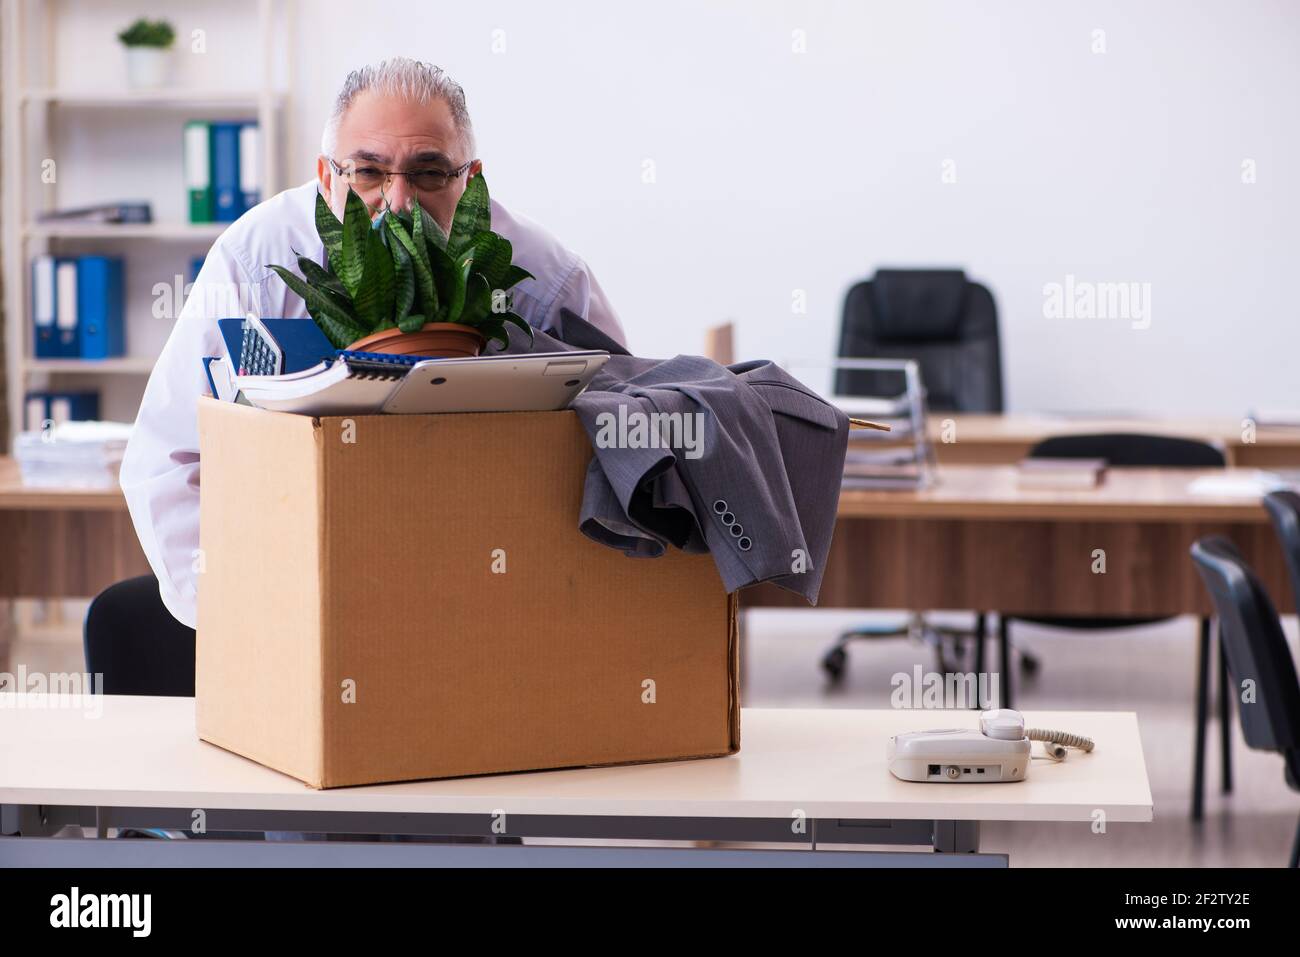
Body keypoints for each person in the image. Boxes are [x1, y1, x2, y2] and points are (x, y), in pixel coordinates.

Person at [120, 57, 627, 630]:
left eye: (430, 172)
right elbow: (166, 459)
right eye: (368, 171)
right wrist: (238, 618)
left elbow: (623, 442)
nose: (399, 201)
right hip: (299, 592)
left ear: (472, 178)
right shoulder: (253, 264)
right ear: (325, 175)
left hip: (491, 600)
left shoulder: (545, 276)